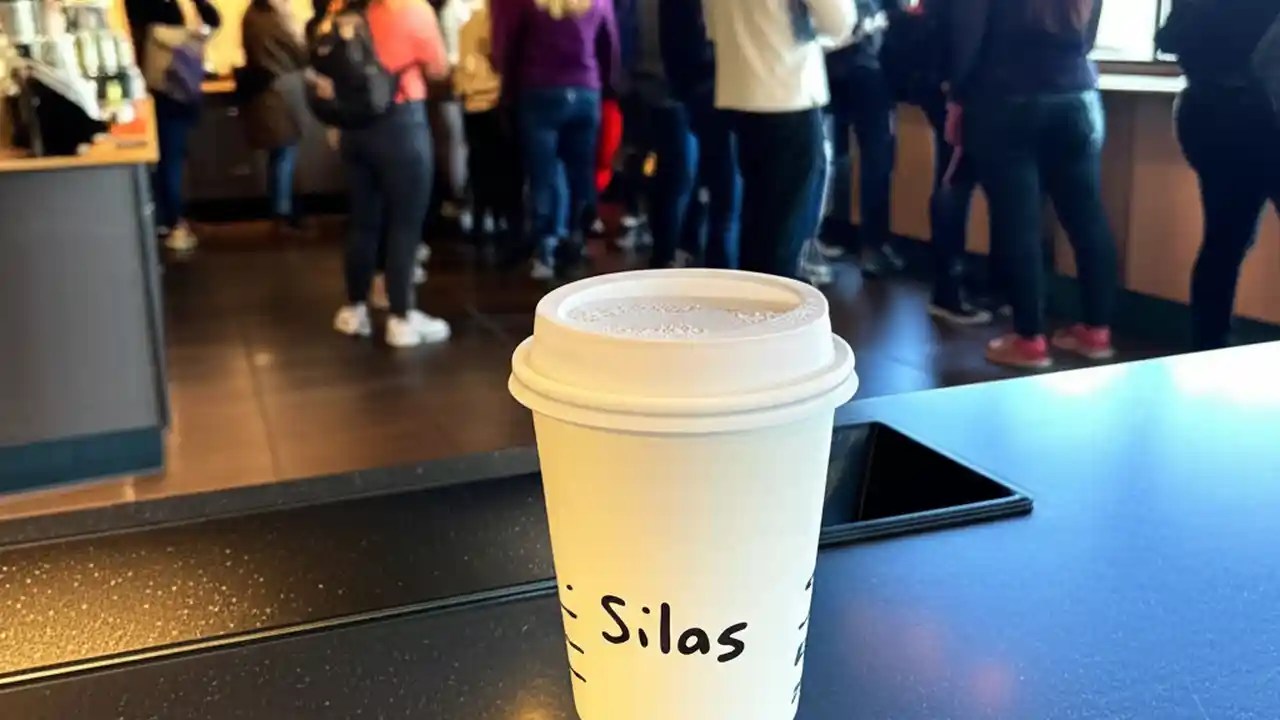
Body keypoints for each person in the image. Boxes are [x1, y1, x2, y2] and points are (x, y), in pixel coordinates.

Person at [947, 0, 1117, 369]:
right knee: (1088, 220)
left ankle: (1030, 339)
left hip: (1004, 99)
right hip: (1077, 97)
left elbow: (967, 41)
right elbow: (1086, 38)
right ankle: (1096, 332)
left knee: (1018, 223)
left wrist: (957, 96)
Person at [327, 0, 452, 348]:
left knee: (363, 221)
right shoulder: (412, 9)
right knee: (405, 223)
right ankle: (401, 317)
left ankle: (354, 310)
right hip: (400, 122)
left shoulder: (343, 7)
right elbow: (439, 68)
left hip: (354, 127)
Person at [1157, 0, 1280, 350]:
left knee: (1223, 245)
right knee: (1224, 246)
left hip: (1210, 116)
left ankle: (1208, 348)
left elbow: (1167, 39)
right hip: (1263, 118)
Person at [702, 0, 856, 278]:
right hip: (789, 95)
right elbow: (839, 20)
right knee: (783, 237)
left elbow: (712, 28)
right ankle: (774, 316)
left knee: (755, 226)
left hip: (742, 94)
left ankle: (751, 313)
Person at [880, 0, 993, 323]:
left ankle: (955, 285)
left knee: (954, 177)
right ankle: (949, 289)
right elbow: (967, 33)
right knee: (955, 180)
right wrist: (959, 93)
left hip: (945, 81)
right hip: (956, 88)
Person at [491, 0, 620, 280]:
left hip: (539, 91)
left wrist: (509, 93)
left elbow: (511, 47)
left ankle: (545, 249)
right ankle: (574, 240)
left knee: (542, 176)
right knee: (580, 174)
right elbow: (610, 46)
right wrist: (607, 86)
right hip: (586, 90)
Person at [815, 1, 906, 280]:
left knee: (833, 154)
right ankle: (872, 247)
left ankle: (831, 234)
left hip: (825, 64)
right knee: (876, 158)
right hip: (867, 63)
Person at [126, 0, 221, 253]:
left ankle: (167, 220)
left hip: (160, 94)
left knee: (166, 161)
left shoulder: (146, 28)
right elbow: (212, 21)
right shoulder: (171, 30)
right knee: (172, 162)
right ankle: (174, 222)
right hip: (175, 97)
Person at [657, 0, 741, 269]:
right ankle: (725, 275)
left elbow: (670, 44)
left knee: (693, 182)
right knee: (727, 196)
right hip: (725, 89)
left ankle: (679, 252)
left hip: (688, 92)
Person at [454, 0, 523, 248]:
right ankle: (507, 225)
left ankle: (481, 221)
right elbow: (503, 57)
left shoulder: (470, 23)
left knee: (479, 164)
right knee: (506, 168)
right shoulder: (498, 21)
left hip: (472, 103)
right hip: (496, 101)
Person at [241, 0, 310, 234]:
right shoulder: (271, 21)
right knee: (285, 155)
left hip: (266, 93)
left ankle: (282, 210)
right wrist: (291, 22)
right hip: (278, 95)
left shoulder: (252, 17)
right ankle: (284, 213)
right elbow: (301, 54)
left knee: (278, 156)